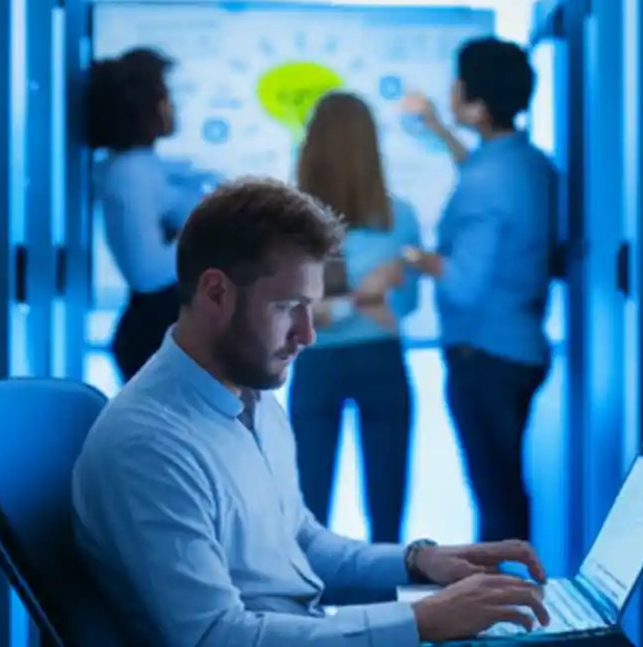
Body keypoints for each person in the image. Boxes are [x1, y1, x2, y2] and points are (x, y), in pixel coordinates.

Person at [71, 178, 550, 645]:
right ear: (215, 293)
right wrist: (418, 623)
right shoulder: (150, 446)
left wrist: (419, 562)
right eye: (288, 307)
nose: (307, 334)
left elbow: (299, 546)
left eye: (310, 307)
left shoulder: (253, 399)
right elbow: (216, 636)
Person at [400, 37, 555, 543]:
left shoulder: (485, 180)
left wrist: (409, 257)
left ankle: (505, 591)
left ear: (477, 102)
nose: (450, 90)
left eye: (458, 83)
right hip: (522, 347)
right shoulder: (528, 163)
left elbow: (464, 283)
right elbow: (482, 174)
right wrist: (439, 129)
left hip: (485, 356)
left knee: (496, 503)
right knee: (505, 492)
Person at [290, 92, 420, 543]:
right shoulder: (400, 217)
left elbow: (298, 308)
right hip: (380, 358)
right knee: (387, 518)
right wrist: (367, 297)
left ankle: (308, 591)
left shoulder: (291, 222)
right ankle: (387, 591)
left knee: (308, 514)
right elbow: (403, 306)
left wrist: (337, 304)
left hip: (316, 362)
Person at [89, 47, 216, 382]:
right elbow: (145, 273)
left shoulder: (143, 166)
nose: (173, 107)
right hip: (154, 336)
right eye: (167, 96)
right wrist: (206, 235)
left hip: (169, 332)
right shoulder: (129, 172)